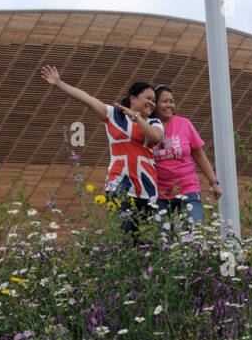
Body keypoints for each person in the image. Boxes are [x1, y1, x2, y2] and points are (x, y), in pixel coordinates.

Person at [39, 65, 163, 226]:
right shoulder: (113, 115)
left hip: (147, 189)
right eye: (148, 98)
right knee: (123, 236)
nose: (152, 103)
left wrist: (136, 118)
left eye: (154, 101)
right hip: (119, 185)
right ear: (133, 98)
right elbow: (87, 98)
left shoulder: (154, 122)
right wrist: (59, 83)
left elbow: (154, 137)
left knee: (145, 242)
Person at [151, 85, 221, 226]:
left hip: (187, 188)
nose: (170, 105)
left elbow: (199, 155)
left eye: (172, 101)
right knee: (162, 240)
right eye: (165, 101)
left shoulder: (184, 124)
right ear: (155, 104)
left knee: (195, 234)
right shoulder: (147, 126)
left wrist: (214, 182)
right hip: (159, 193)